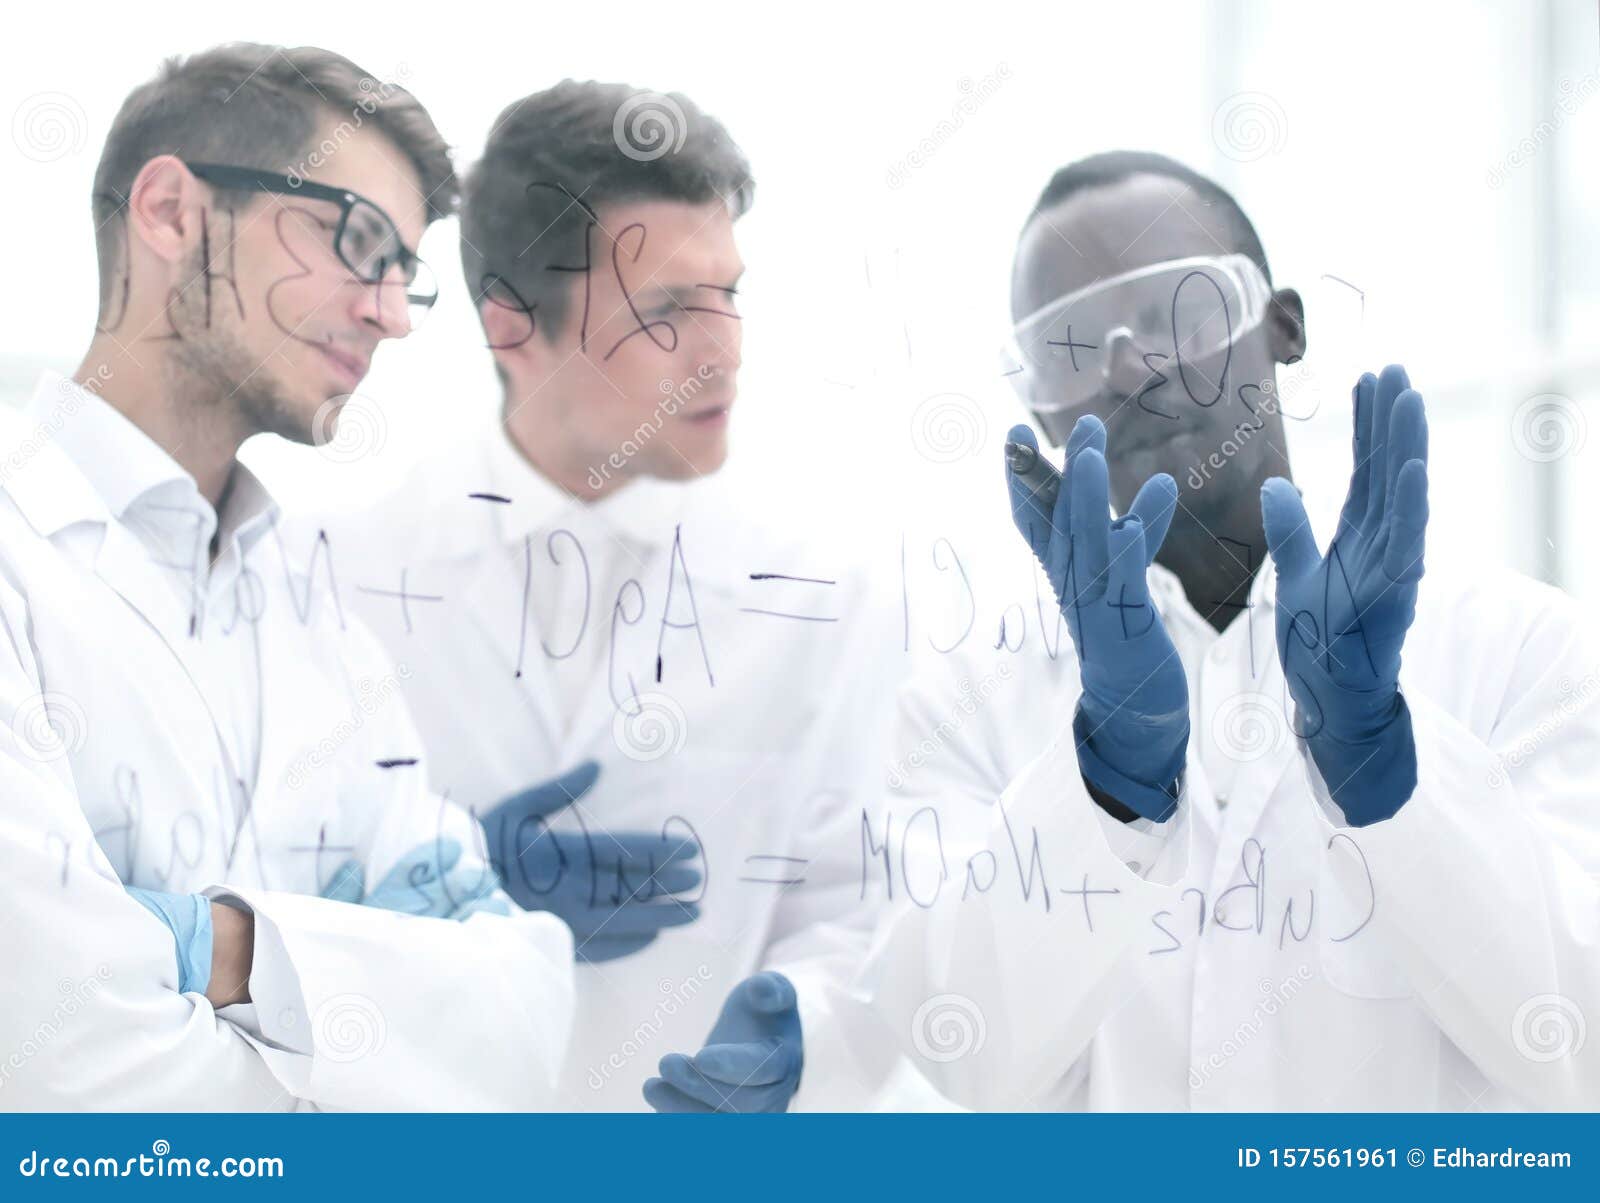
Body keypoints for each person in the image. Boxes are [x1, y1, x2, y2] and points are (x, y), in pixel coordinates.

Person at [852, 151, 1599, 1110]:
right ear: (1038, 405)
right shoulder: (964, 707)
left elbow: (1573, 1040)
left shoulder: (1524, 654)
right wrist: (1107, 780)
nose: (1133, 366)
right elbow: (964, 1053)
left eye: (1180, 311)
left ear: (1280, 325)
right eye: (1074, 345)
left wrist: (1384, 766)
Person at [297, 81, 907, 1111]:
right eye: (667, 310)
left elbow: (864, 907)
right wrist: (456, 894)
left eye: (730, 295)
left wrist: (798, 1035)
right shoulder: (336, 576)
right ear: (511, 327)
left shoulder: (820, 587)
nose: (726, 351)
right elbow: (268, 918)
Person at [0, 43, 577, 1110]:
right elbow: (57, 1069)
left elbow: (524, 1020)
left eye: (406, 272)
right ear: (171, 212)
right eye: (357, 241)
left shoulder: (317, 614)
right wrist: (374, 1028)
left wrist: (222, 957)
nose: (392, 312)